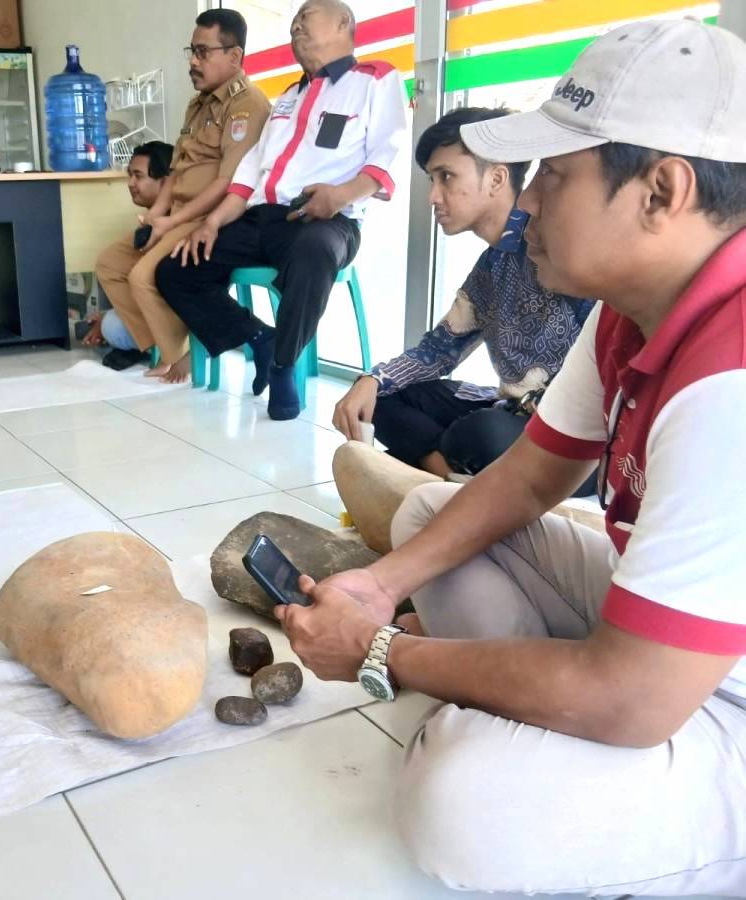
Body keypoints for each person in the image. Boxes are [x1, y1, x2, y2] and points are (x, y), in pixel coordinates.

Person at [275, 19, 746, 896]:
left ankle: (578, 735)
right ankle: (550, 703)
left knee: (464, 806)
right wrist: (378, 587)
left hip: (710, 688)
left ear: (661, 192)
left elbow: (637, 694)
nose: (526, 201)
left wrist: (380, 651)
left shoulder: (733, 380)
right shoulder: (628, 308)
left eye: (555, 176)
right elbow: (530, 476)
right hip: (667, 635)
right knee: (429, 513)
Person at [157, 0, 405, 419]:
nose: (295, 27)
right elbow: (249, 174)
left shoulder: (374, 80)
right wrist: (212, 222)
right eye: (293, 22)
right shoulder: (288, 98)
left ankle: (284, 364)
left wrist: (340, 196)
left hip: (327, 220)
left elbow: (387, 154)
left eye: (306, 17)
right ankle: (260, 338)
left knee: (314, 251)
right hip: (262, 219)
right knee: (177, 269)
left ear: (343, 23)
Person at [333, 107, 596, 488]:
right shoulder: (491, 267)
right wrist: (372, 380)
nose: (433, 196)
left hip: (567, 439)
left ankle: (435, 467)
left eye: (446, 176)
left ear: (497, 178)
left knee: (480, 434)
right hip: (509, 413)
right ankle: (445, 470)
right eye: (432, 179)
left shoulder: (558, 249)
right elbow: (437, 351)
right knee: (383, 399)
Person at [93, 8, 270, 381]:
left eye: (203, 52)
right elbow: (175, 173)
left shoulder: (248, 105)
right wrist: (155, 217)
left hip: (206, 217)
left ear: (234, 56)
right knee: (110, 264)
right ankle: (158, 344)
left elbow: (228, 183)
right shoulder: (198, 104)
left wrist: (172, 221)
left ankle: (180, 355)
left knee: (142, 275)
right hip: (177, 213)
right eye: (192, 51)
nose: (193, 61)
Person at [84, 142, 174, 365]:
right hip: (154, 313)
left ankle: (163, 345)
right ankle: (146, 341)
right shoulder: (148, 225)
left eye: (138, 176)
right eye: (130, 175)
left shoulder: (177, 224)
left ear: (166, 182)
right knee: (110, 318)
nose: (130, 183)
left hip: (180, 319)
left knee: (112, 326)